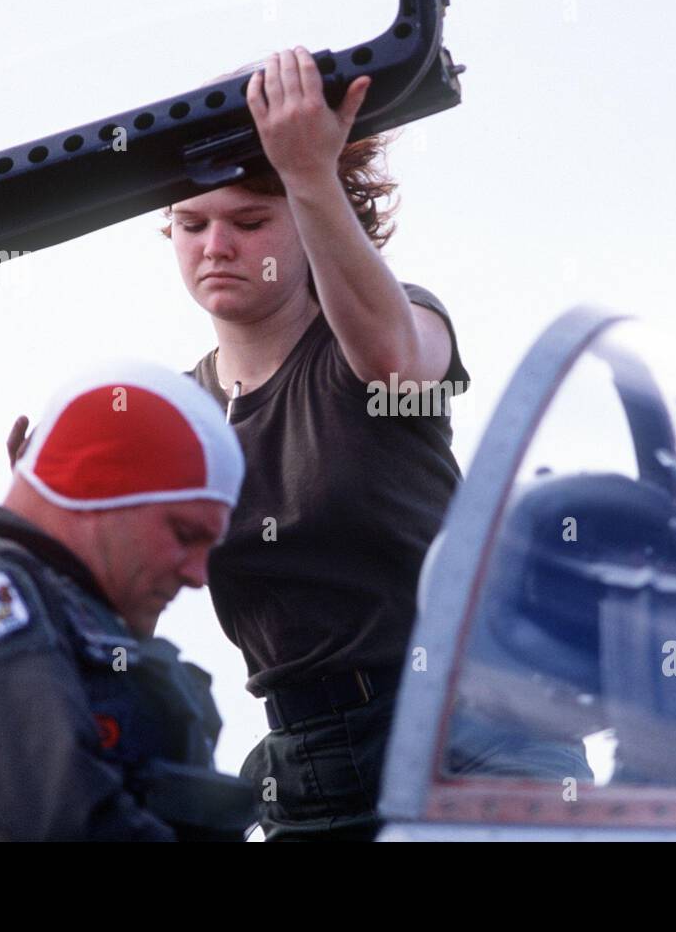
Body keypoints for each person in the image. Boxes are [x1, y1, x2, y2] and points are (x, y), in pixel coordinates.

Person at [168, 47, 470, 839]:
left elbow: (395, 359)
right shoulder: (178, 413)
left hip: (460, 733)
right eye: (192, 224)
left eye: (249, 220)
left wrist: (309, 174)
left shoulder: (401, 320)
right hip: (303, 764)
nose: (215, 246)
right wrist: (59, 516)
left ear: (306, 223)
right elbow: (132, 574)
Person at [0, 362, 252, 840]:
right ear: (100, 488)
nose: (198, 575)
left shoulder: (63, 608)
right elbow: (60, 824)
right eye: (183, 534)